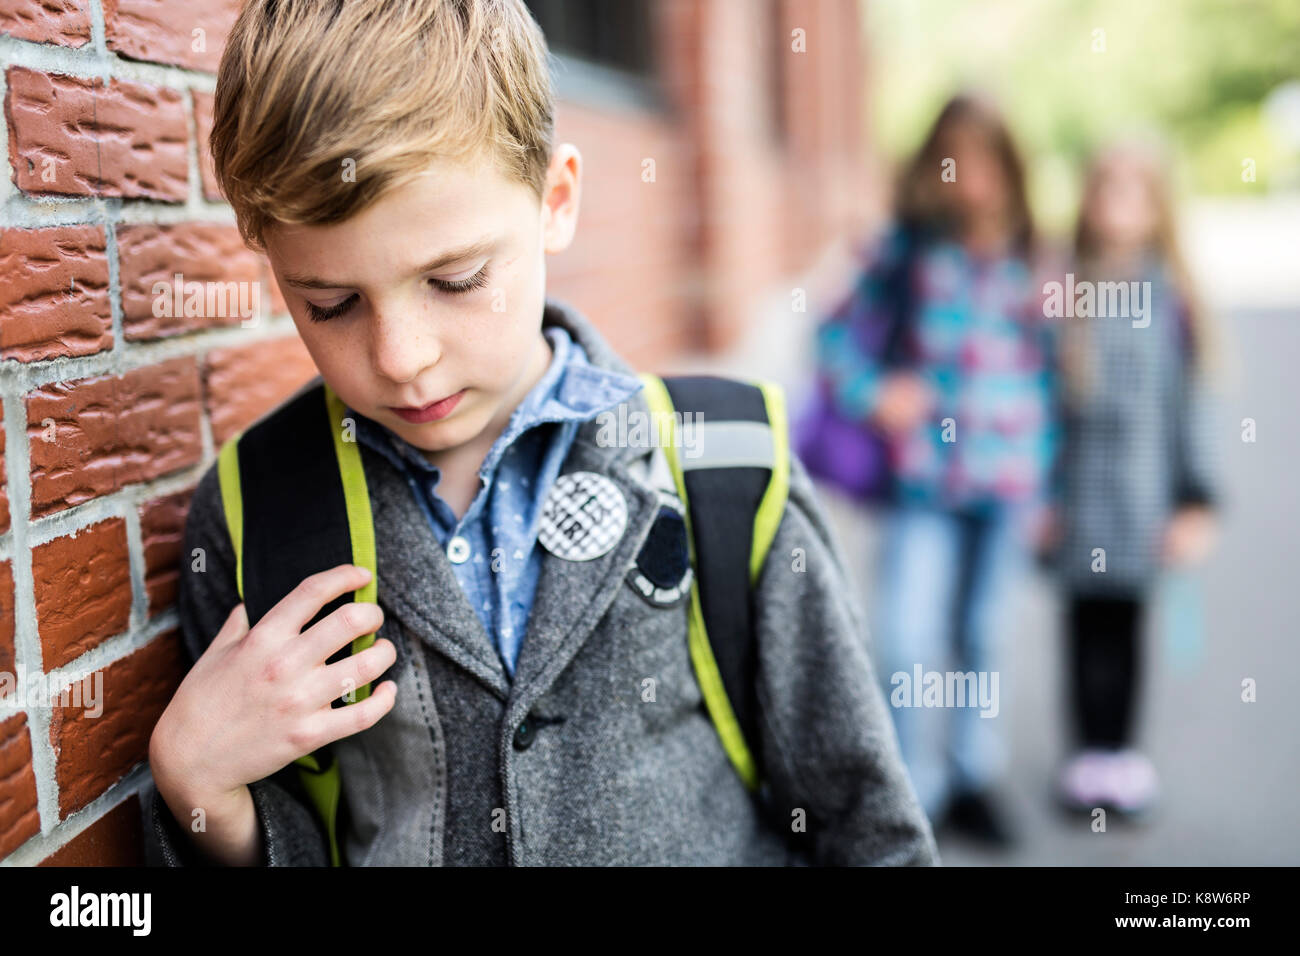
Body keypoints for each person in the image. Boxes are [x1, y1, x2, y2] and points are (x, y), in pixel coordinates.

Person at [141, 0, 938, 866]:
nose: (401, 359)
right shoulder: (259, 514)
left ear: (556, 200)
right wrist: (199, 791)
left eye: (456, 279)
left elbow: (866, 823)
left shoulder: (724, 466)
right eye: (330, 305)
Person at [812, 93, 1057, 847]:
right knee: (906, 637)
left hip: (1009, 481)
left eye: (986, 158)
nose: (970, 176)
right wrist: (874, 392)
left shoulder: (1035, 253)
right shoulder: (907, 248)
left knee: (983, 633)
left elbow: (1055, 374)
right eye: (956, 157)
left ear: (1010, 166)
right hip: (925, 483)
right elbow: (834, 334)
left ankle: (973, 772)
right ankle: (915, 786)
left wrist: (1054, 485)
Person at [1052, 138, 1219, 819]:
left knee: (1128, 628)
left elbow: (1186, 409)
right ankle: (1088, 757)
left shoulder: (1169, 300)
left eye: (1133, 192)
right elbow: (1040, 402)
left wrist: (1193, 500)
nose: (1116, 206)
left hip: (1141, 502)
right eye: (1105, 189)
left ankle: (1120, 756)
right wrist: (1039, 492)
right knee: (1082, 627)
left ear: (1156, 209)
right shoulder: (1066, 291)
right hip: (1078, 500)